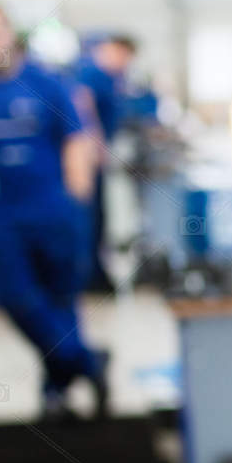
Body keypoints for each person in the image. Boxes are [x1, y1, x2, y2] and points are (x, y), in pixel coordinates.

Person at [0, 2, 108, 419]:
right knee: (17, 299)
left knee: (61, 302)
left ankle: (55, 392)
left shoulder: (47, 82)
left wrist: (77, 201)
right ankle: (88, 363)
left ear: (8, 32)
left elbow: (77, 140)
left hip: (53, 211)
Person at [70, 34, 137, 290]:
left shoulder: (110, 76)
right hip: (87, 156)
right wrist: (96, 145)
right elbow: (83, 105)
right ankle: (88, 275)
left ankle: (95, 271)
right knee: (90, 215)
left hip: (94, 152)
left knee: (99, 214)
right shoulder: (90, 73)